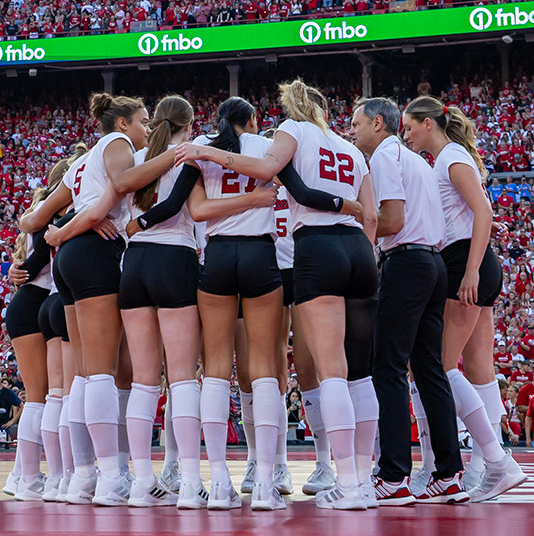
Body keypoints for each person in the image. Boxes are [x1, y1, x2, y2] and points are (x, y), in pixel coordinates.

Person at [198, 80, 379, 510]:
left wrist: (208, 151)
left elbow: (281, 181)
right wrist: (349, 217)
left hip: (300, 256)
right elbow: (369, 214)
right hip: (320, 254)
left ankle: (320, 467)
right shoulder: (347, 149)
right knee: (336, 371)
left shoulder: (280, 143)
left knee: (306, 369)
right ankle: (325, 470)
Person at [47, 92, 196, 507]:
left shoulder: (82, 162)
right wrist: (80, 225)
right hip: (102, 256)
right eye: (141, 120)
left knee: (87, 375)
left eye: (150, 121)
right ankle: (112, 477)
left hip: (76, 260)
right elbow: (115, 193)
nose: (146, 127)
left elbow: (36, 217)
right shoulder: (119, 147)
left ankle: (81, 477)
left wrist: (63, 230)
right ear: (122, 124)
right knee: (104, 373)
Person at [400, 95, 521, 501]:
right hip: (475, 259)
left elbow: (483, 211)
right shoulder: (450, 157)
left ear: (428, 124)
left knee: (437, 365)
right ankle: (483, 465)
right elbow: (475, 212)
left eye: (409, 127)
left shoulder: (450, 157)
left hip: (465, 263)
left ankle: (489, 461)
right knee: (480, 368)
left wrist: (470, 270)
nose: (407, 135)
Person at [348, 96, 466, 503]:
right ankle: (448, 473)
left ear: (378, 123)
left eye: (357, 123)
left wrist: (356, 221)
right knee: (430, 369)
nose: (352, 130)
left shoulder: (384, 156)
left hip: (406, 262)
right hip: (433, 263)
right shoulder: (418, 161)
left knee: (389, 367)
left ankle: (393, 473)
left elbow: (393, 221)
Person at [184, 98, 290, 509]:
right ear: (254, 120)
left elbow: (197, 211)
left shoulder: (201, 146)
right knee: (263, 368)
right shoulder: (266, 146)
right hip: (260, 252)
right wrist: (253, 200)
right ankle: (264, 481)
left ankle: (218, 483)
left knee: (214, 370)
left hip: (217, 253)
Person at [117, 97, 209, 507]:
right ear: (188, 124)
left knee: (144, 381)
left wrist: (136, 224)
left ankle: (142, 481)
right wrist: (143, 221)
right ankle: (189, 482)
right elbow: (174, 207)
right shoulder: (187, 155)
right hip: (173, 257)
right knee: (183, 378)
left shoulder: (136, 158)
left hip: (134, 262)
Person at [10, 146, 83, 500]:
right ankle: (48, 476)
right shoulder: (55, 214)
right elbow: (38, 257)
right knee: (50, 396)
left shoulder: (38, 212)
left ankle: (23, 476)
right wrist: (21, 269)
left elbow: (29, 257)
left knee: (40, 398)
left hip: (30, 301)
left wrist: (18, 269)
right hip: (41, 299)